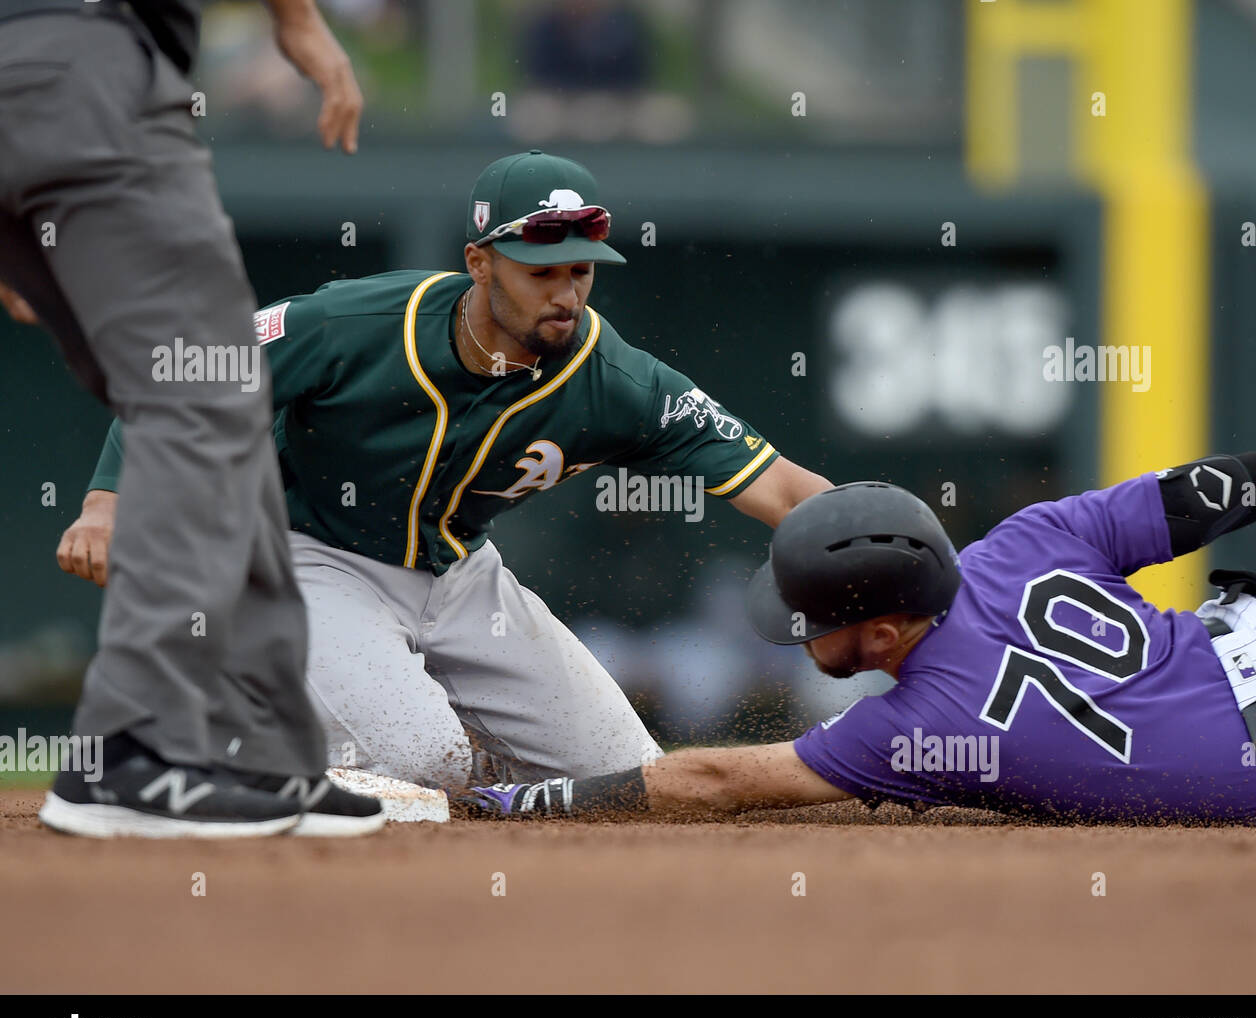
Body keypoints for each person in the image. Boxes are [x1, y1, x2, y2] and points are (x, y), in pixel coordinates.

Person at [58, 150, 832, 813]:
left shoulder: (616, 378)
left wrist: (883, 571)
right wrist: (105, 503)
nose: (565, 293)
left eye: (579, 270)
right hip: (307, 557)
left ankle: (444, 779)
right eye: (539, 270)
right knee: (423, 766)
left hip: (461, 577)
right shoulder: (356, 324)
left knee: (622, 782)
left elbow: (789, 493)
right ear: (480, 262)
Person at [0, 0, 382, 836]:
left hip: (34, 85)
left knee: (220, 398)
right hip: (87, 64)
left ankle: (263, 752)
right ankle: (136, 746)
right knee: (205, 391)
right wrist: (299, 19)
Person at [466, 446, 1256, 828]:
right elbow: (1197, 496)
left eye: (817, 621)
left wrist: (527, 800)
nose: (797, 632)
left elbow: (717, 780)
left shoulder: (914, 731)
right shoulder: (1031, 537)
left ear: (883, 633)